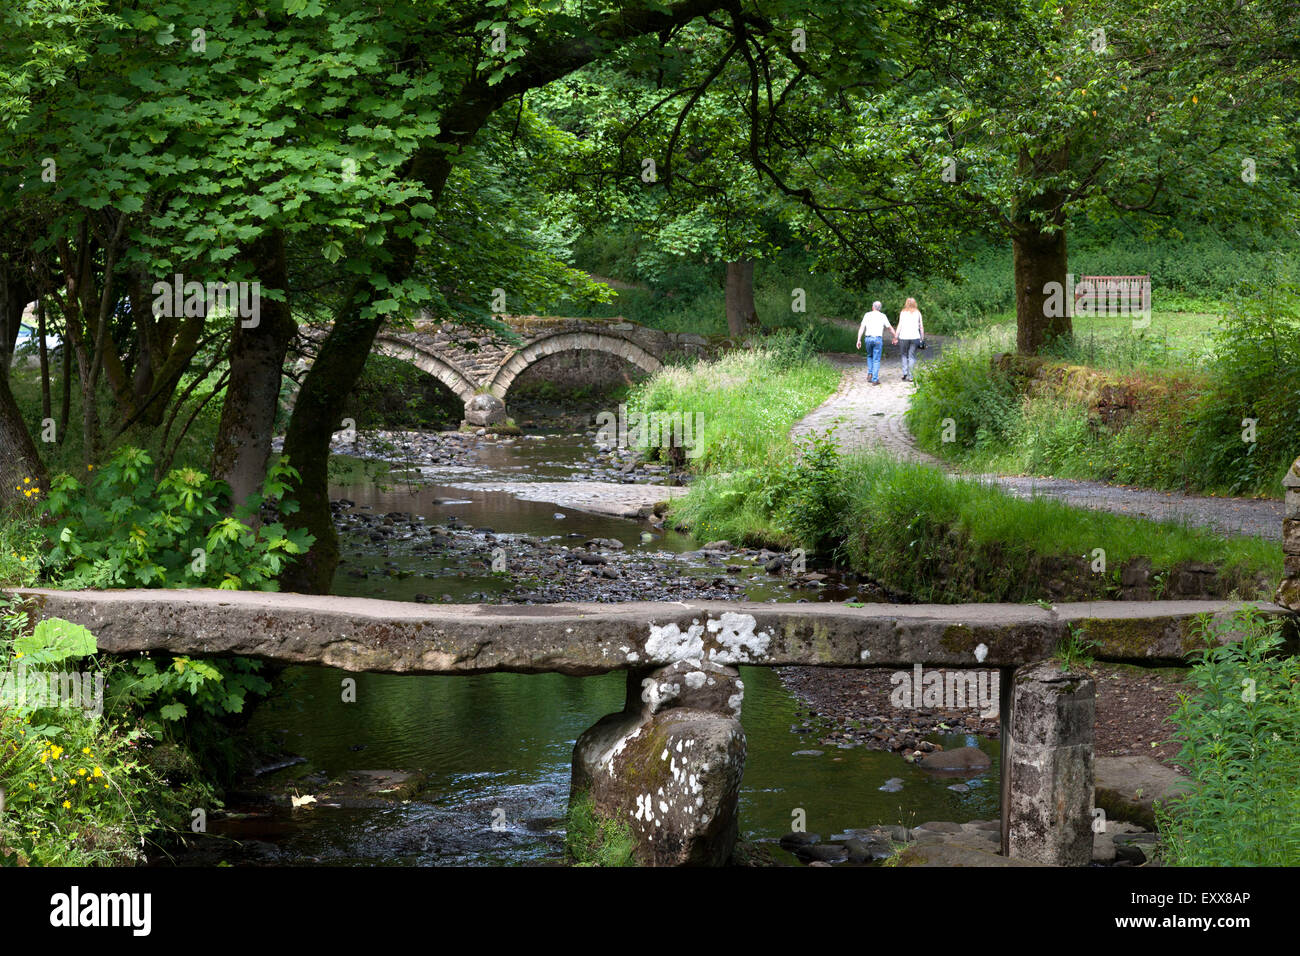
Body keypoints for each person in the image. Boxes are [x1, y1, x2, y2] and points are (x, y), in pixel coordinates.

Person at [855, 300, 894, 386]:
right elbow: (890, 328)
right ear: (880, 308)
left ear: (873, 307)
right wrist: (895, 336)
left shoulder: (867, 315)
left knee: (869, 356)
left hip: (868, 338)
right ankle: (875, 379)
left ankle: (870, 374)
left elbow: (862, 328)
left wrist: (859, 340)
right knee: (876, 359)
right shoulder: (883, 316)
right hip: (877, 339)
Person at [895, 297, 924, 381]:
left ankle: (904, 373)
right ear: (915, 303)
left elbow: (899, 325)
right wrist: (922, 338)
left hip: (903, 337)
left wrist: (896, 336)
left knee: (904, 354)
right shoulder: (918, 313)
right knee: (911, 356)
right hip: (915, 337)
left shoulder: (903, 312)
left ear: (906, 303)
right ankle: (911, 376)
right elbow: (921, 326)